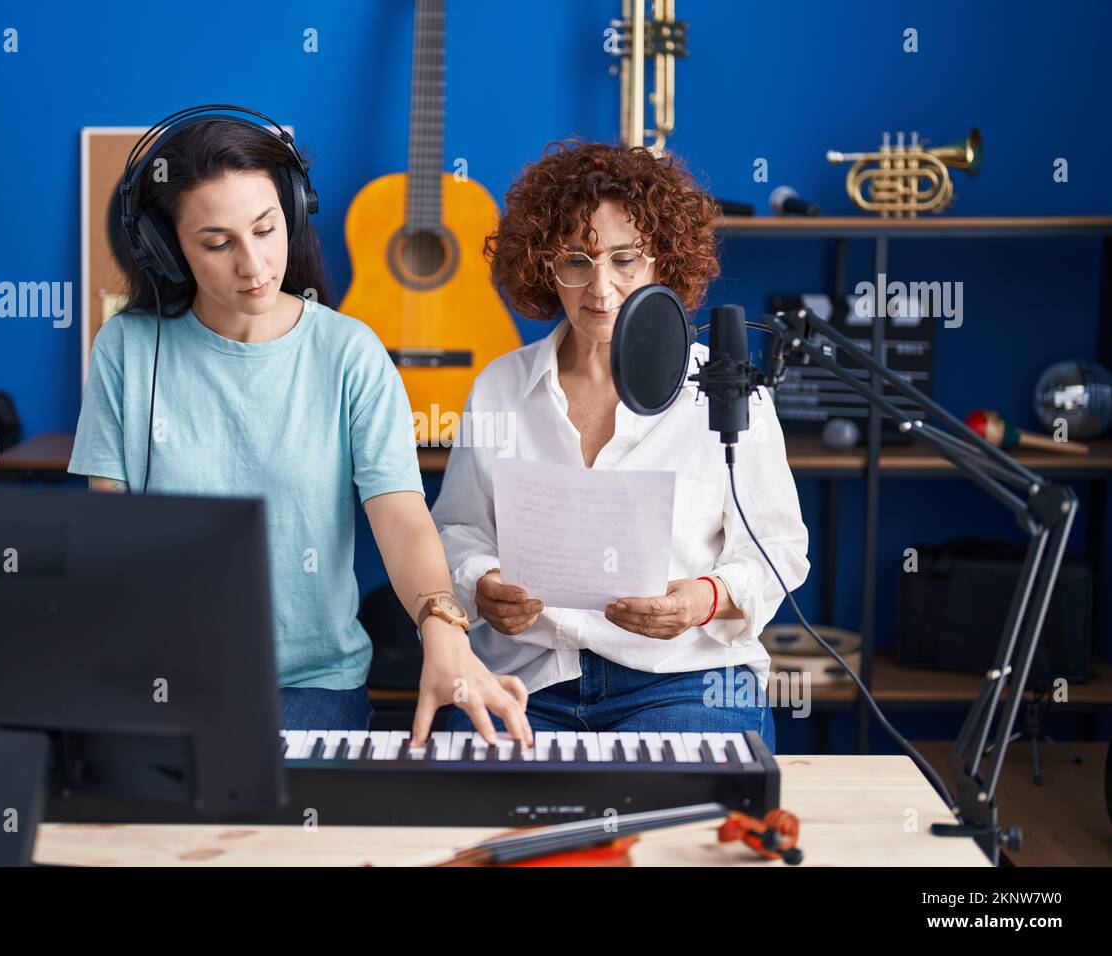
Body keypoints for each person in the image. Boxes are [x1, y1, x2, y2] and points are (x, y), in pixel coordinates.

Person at [68, 112, 533, 747]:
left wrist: (444, 633)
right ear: (166, 248)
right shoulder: (125, 347)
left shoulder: (350, 352)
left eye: (266, 228)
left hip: (309, 685)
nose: (255, 263)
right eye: (216, 242)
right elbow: (109, 528)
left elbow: (401, 518)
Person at [432, 140, 810, 750]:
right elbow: (456, 530)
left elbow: (780, 548)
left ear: (662, 261)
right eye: (576, 262)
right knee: (477, 827)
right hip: (526, 681)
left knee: (680, 830)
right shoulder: (500, 386)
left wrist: (705, 600)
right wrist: (481, 584)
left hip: (683, 680)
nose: (601, 290)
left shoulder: (725, 387)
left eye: (625, 259)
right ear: (543, 267)